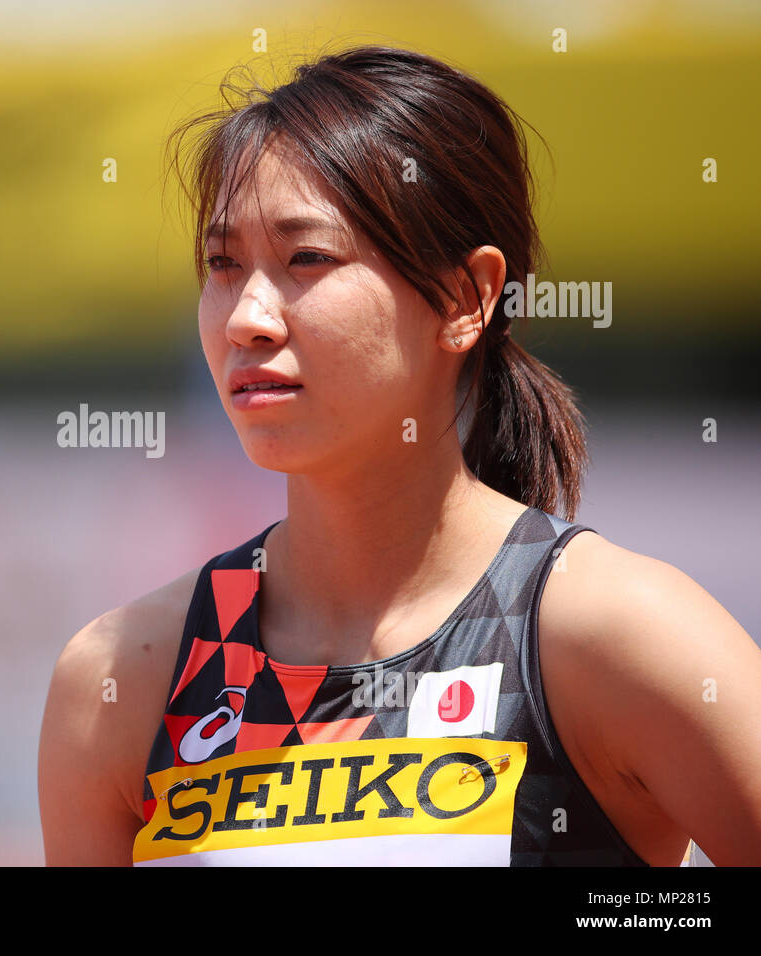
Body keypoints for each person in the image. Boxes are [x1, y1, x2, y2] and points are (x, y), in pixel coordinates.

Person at [38, 45, 761, 865]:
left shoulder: (610, 635)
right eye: (221, 264)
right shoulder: (123, 681)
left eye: (306, 258)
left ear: (465, 298)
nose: (247, 317)